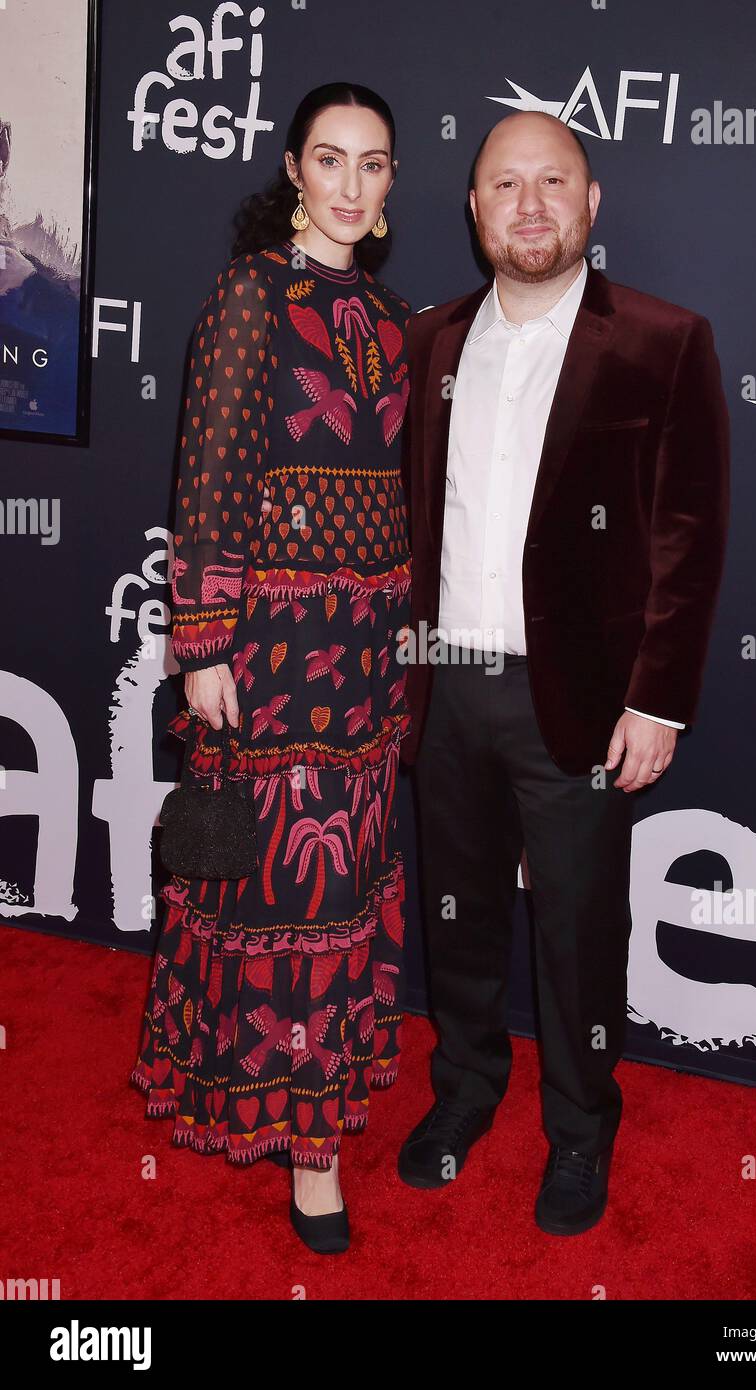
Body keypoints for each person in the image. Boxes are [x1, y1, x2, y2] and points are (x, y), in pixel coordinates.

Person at [397, 110, 730, 1236]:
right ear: (475, 209)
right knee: (462, 917)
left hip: (580, 703)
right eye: (504, 184)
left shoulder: (662, 340)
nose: (528, 204)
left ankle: (581, 1132)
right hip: (444, 687)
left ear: (592, 204)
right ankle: (464, 1095)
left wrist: (656, 696)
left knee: (580, 933)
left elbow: (690, 534)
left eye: (553, 182)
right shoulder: (428, 341)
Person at [131, 83, 412, 1255]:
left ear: (392, 184)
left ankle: (321, 1118)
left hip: (370, 663)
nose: (352, 186)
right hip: (270, 655)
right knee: (274, 891)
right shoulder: (252, 296)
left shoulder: (394, 320)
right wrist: (199, 645)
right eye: (331, 161)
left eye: (375, 164)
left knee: (343, 892)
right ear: (293, 169)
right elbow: (209, 473)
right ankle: (305, 1152)